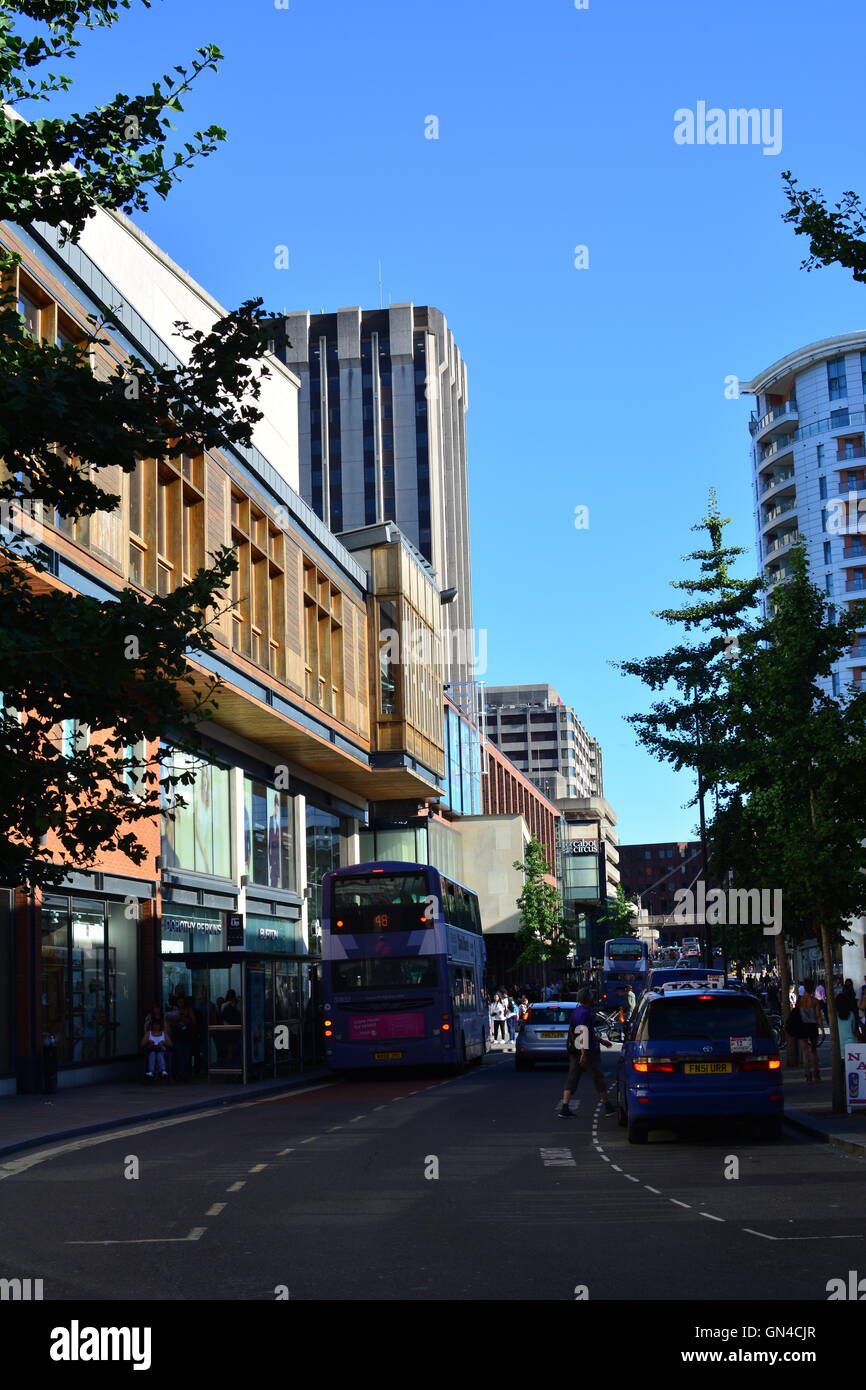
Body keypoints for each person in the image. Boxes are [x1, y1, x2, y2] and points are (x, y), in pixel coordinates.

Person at [560, 988, 615, 1119]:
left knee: (572, 1078)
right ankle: (608, 1107)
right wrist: (584, 1054)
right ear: (588, 998)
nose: (592, 997)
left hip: (576, 1050)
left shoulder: (576, 1011)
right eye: (591, 995)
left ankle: (565, 1107)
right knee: (598, 1078)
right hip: (587, 1051)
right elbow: (583, 1033)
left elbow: (580, 1031)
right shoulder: (586, 1013)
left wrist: (601, 1040)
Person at [798, 977, 823, 1083]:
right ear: (812, 988)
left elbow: (797, 1013)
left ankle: (807, 1074)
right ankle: (816, 1072)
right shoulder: (815, 1001)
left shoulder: (800, 1000)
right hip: (812, 1026)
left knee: (804, 1051)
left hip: (803, 1026)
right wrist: (821, 1028)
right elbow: (818, 1016)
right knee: (814, 1050)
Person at [141, 1005, 172, 1079]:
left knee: (159, 1054)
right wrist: (149, 1041)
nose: (156, 1027)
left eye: (157, 1025)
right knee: (153, 1053)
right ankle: (154, 1071)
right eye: (155, 1025)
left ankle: (161, 1070)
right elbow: (142, 1043)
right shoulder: (149, 1033)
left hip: (161, 1048)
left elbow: (170, 1044)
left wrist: (163, 1042)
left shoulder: (163, 1033)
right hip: (152, 1048)